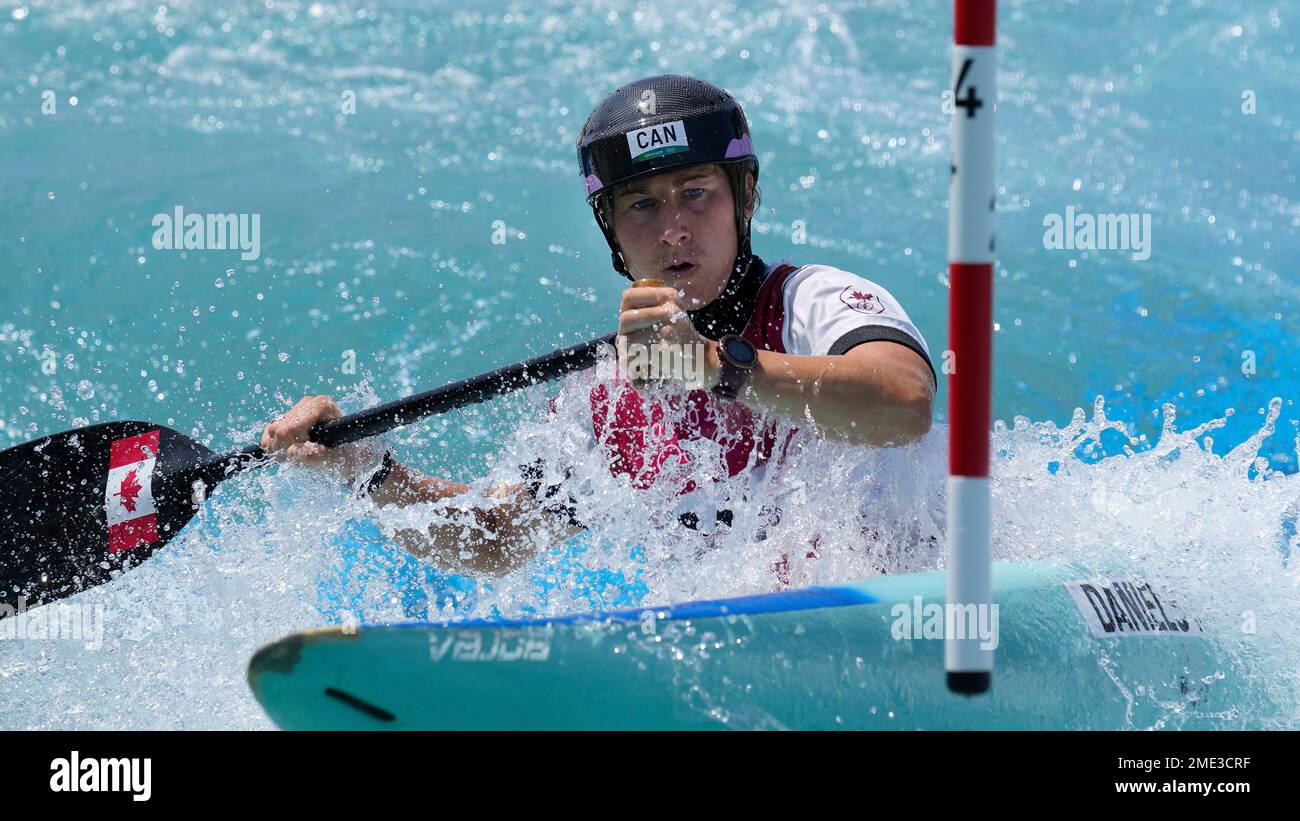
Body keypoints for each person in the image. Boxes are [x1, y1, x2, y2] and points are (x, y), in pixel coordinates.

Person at [260, 74, 936, 579]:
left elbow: (904, 403)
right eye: (641, 203)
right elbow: (500, 537)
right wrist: (368, 471)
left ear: (746, 197)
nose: (673, 227)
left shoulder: (815, 302)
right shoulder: (608, 400)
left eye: (696, 193)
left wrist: (713, 367)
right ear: (610, 230)